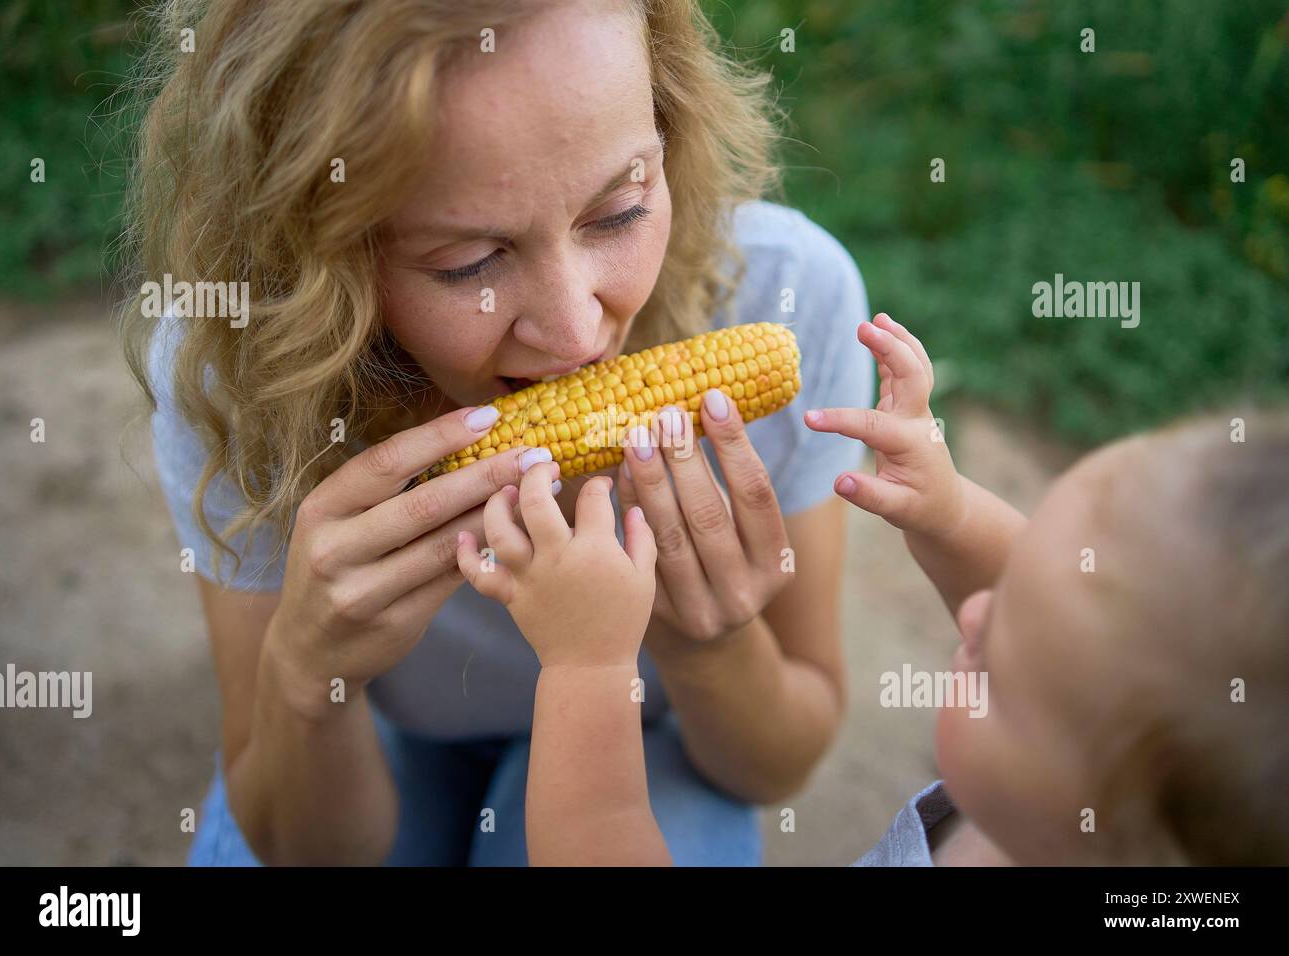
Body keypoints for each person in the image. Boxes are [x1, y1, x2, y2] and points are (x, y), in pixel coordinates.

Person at [120, 0, 873, 865]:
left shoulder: (791, 293)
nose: (573, 328)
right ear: (316, 257)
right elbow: (304, 850)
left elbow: (779, 765)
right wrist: (306, 685)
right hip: (389, 740)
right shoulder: (244, 365)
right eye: (467, 263)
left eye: (620, 211)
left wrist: (708, 650)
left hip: (648, 734)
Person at [471, 311, 1289, 866]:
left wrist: (587, 668)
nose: (972, 610)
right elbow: (1069, 630)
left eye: (999, 669)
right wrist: (951, 510)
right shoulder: (1086, 817)